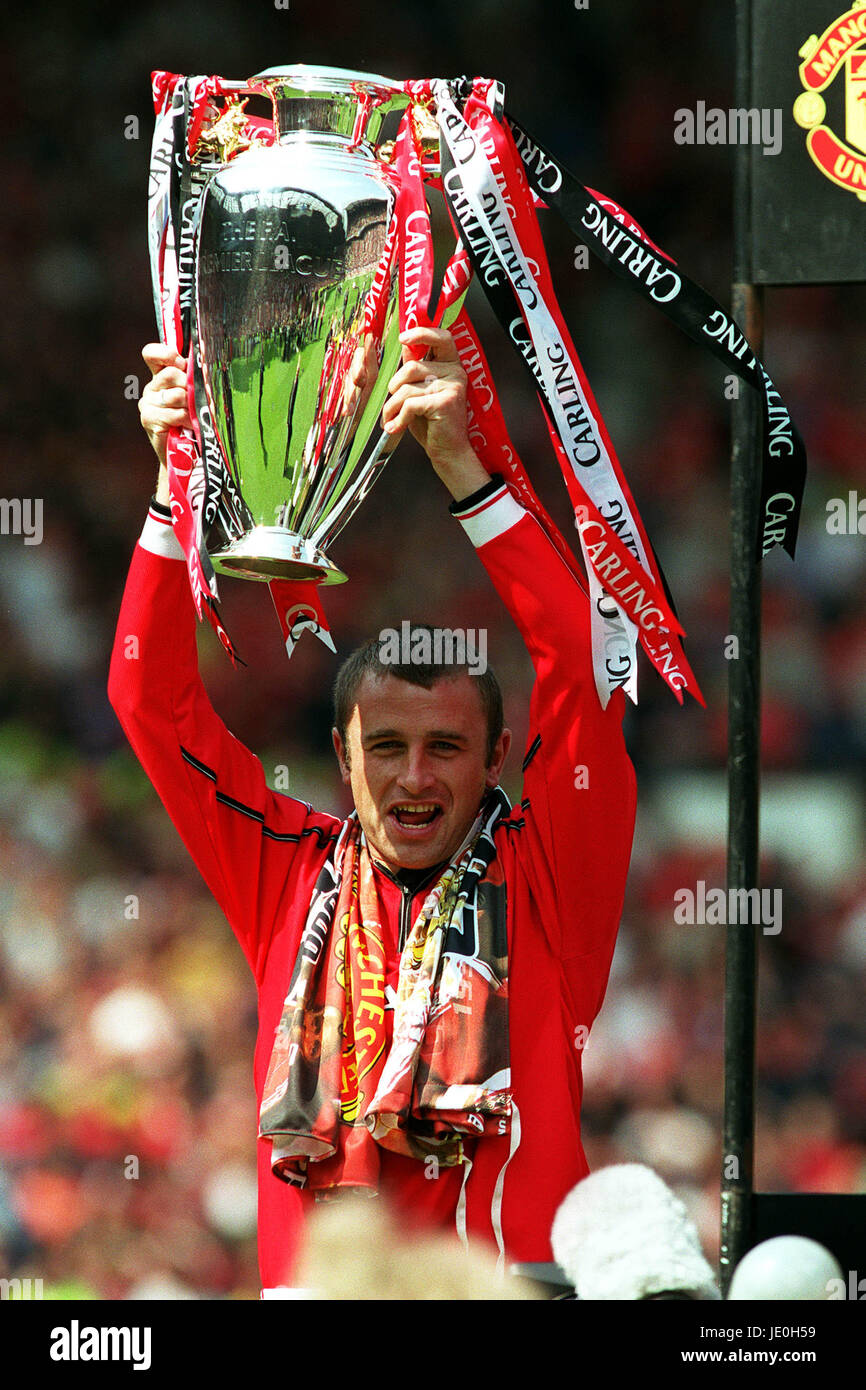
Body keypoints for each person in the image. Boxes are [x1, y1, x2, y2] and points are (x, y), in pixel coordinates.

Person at [108, 325, 637, 1294]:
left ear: (496, 762)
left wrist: (461, 466)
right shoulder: (285, 867)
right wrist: (172, 480)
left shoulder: (548, 876)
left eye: (444, 748)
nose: (414, 779)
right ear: (342, 760)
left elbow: (582, 668)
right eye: (385, 749)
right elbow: (149, 702)